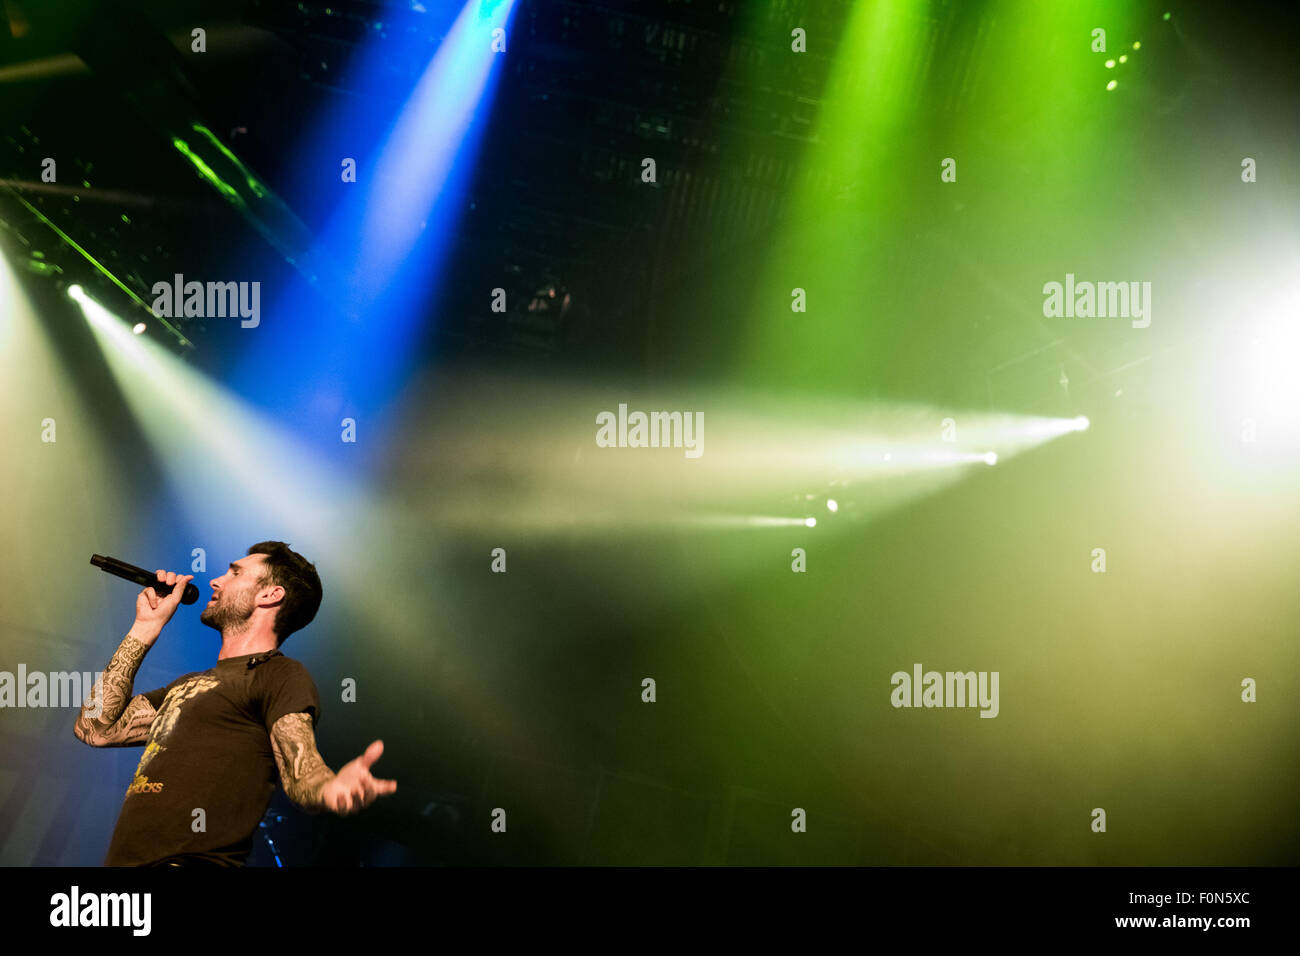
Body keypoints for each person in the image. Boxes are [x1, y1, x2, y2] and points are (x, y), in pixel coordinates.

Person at [74, 541, 396, 866]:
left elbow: (301, 770)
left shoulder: (279, 674)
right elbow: (95, 728)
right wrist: (145, 627)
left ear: (270, 595)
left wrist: (331, 788)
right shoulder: (185, 685)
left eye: (235, 573)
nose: (216, 581)